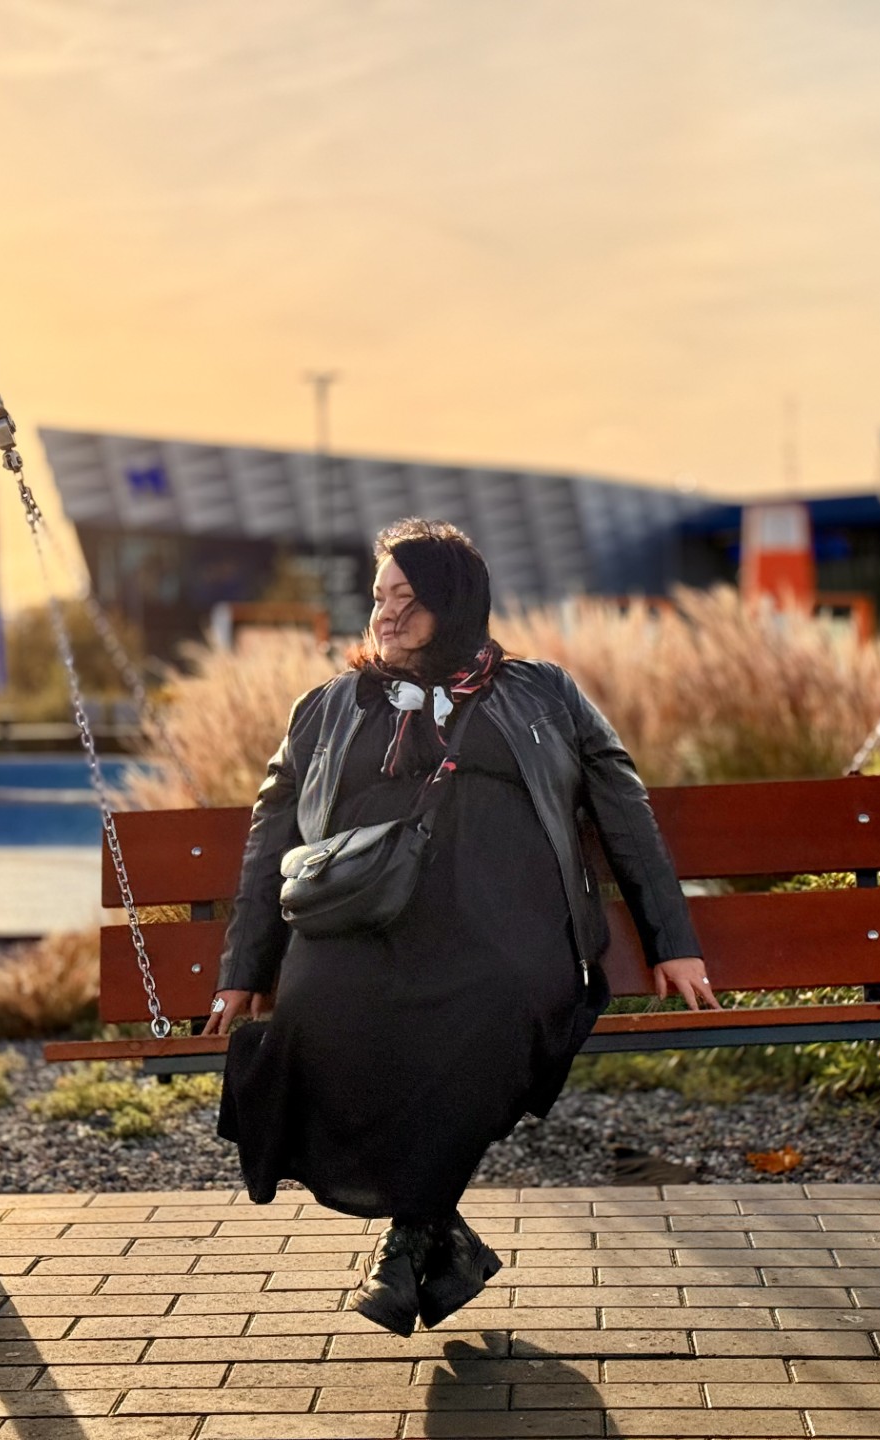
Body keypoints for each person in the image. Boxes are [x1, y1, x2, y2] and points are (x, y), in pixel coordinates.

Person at [206, 517, 717, 1336]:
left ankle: (414, 1239)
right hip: (361, 928)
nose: (388, 615)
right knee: (314, 1012)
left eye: (409, 597)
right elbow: (273, 836)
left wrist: (673, 942)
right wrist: (244, 967)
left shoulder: (543, 692)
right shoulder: (329, 707)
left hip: (508, 933)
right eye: (379, 597)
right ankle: (432, 1237)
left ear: (457, 600)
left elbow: (625, 812)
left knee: (496, 1004)